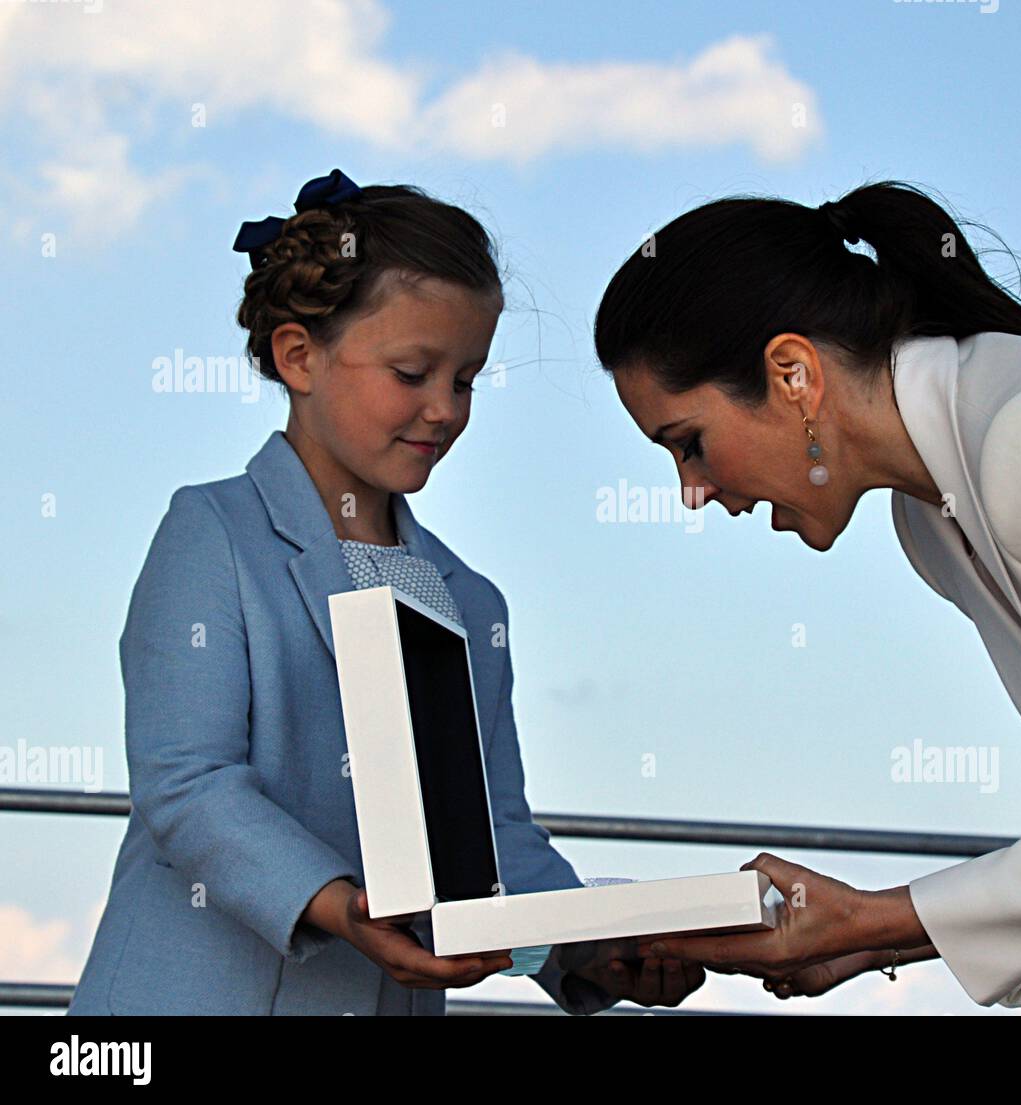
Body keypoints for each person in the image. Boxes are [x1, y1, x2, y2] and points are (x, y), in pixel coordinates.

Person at [593, 180, 1021, 1012]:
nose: (693, 490)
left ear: (792, 373)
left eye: (689, 443)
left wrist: (862, 919)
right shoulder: (933, 520)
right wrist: (867, 940)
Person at [67, 169, 704, 1016]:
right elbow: (188, 782)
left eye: (467, 379)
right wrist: (341, 904)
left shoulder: (471, 600)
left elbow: (495, 834)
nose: (444, 408)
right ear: (298, 356)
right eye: (413, 372)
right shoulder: (211, 533)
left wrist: (587, 952)